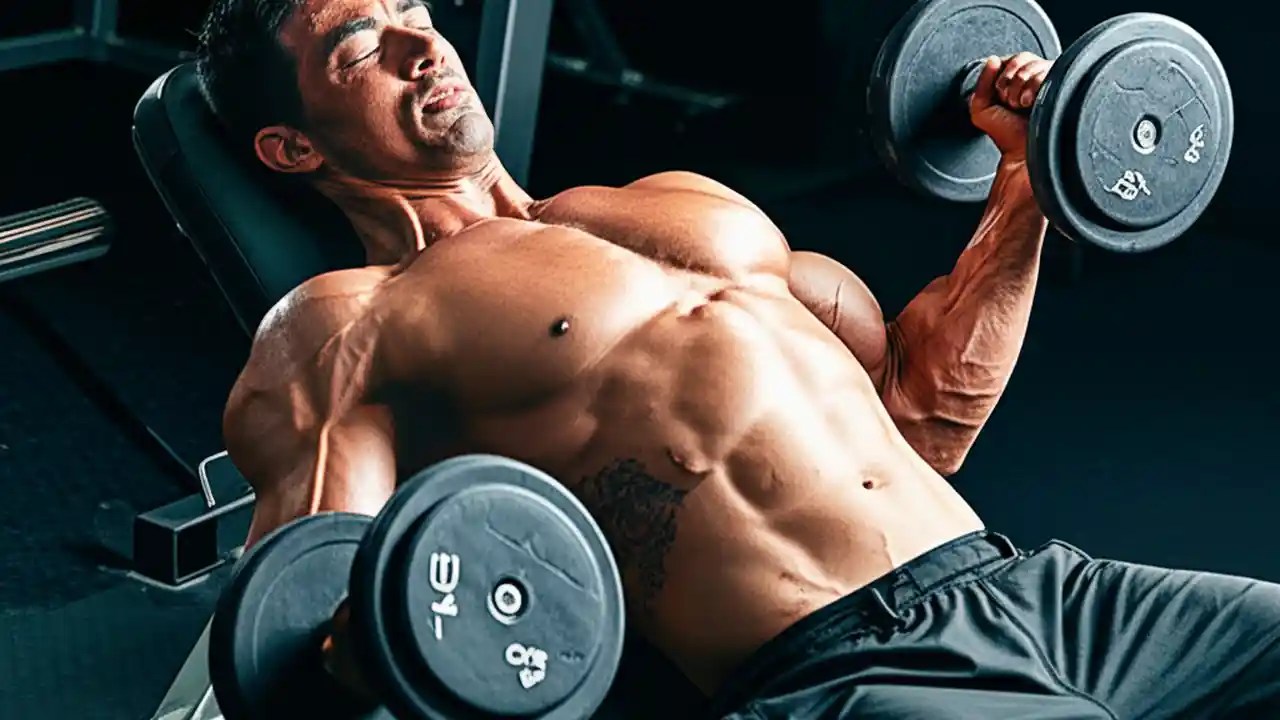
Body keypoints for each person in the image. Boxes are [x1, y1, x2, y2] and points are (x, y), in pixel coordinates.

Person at [196, 0, 1280, 716]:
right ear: (293, 148)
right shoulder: (346, 320)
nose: (420, 47)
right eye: (360, 51)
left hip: (1036, 586)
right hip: (843, 672)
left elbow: (918, 417)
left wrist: (1024, 184)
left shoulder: (677, 204)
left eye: (411, 13)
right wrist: (369, 650)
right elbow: (299, 629)